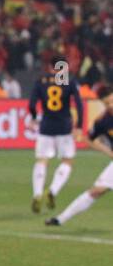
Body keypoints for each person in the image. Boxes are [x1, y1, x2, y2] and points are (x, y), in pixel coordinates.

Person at [47, 83, 113, 226]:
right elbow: (88, 139)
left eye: (112, 101)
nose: (110, 105)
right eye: (106, 103)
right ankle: (61, 219)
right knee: (96, 191)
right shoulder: (102, 121)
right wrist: (109, 152)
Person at [28, 63, 85, 213]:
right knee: (67, 161)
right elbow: (79, 104)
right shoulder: (69, 81)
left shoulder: (41, 81)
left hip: (46, 127)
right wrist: (79, 125)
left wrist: (34, 117)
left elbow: (32, 104)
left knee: (42, 160)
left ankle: (37, 193)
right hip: (64, 127)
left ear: (50, 67)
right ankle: (53, 190)